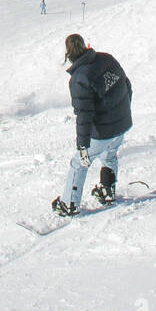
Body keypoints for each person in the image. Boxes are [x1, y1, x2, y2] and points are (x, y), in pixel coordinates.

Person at [52, 34, 132, 217]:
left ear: (68, 54)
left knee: (78, 164)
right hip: (122, 123)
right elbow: (126, 84)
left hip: (103, 131)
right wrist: (125, 111)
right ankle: (107, 191)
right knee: (109, 156)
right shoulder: (106, 59)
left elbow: (84, 114)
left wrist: (82, 145)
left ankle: (69, 204)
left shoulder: (80, 78)